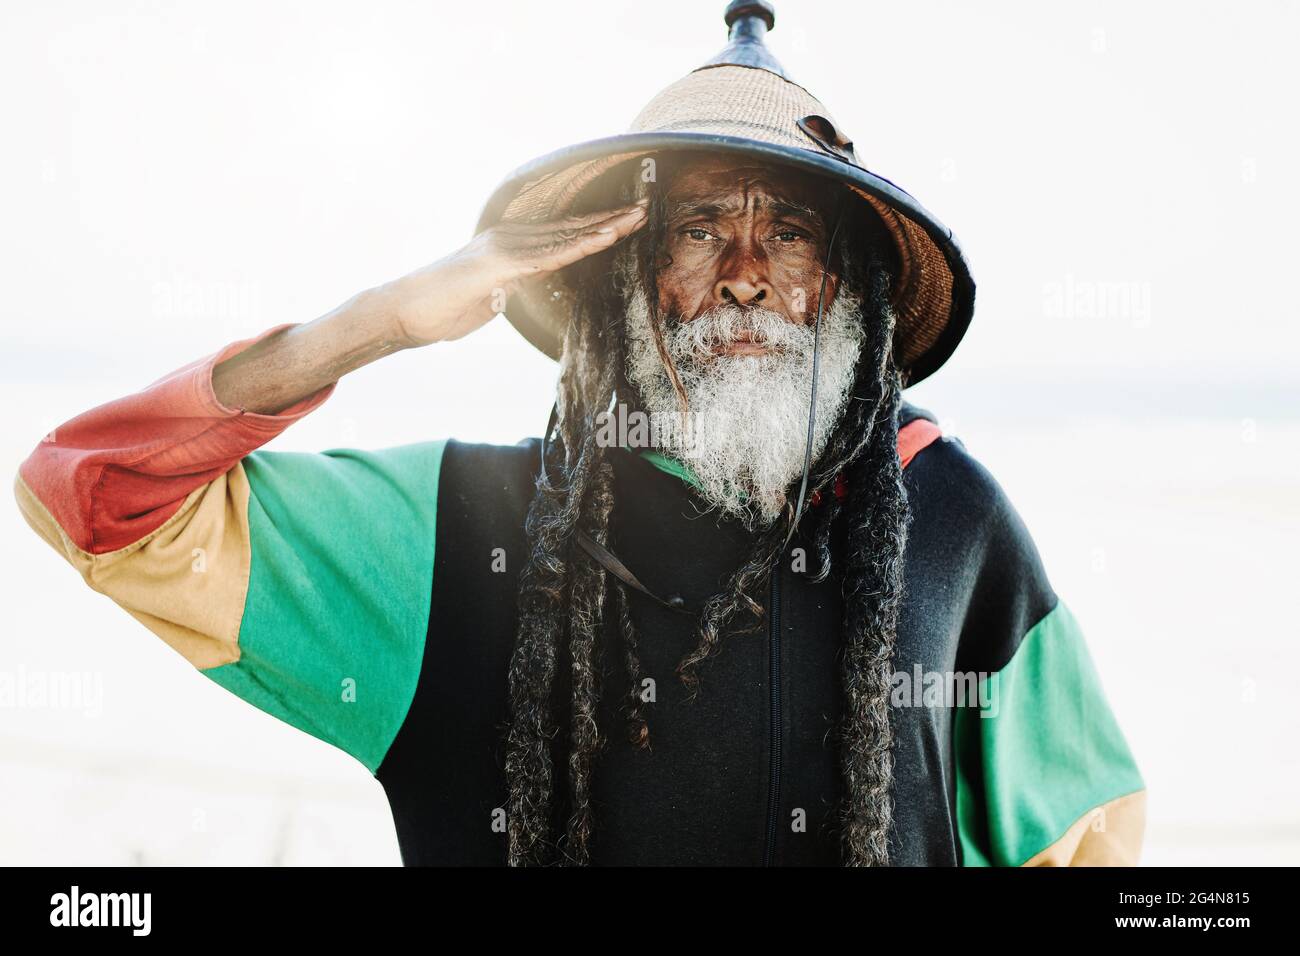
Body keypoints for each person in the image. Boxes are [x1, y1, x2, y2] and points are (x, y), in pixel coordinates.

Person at [14, 1, 1145, 866]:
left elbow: (1086, 833)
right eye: (698, 228)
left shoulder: (946, 516)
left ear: (848, 288)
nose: (745, 277)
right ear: (621, 275)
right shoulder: (455, 531)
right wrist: (377, 323)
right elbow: (97, 493)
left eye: (790, 234)